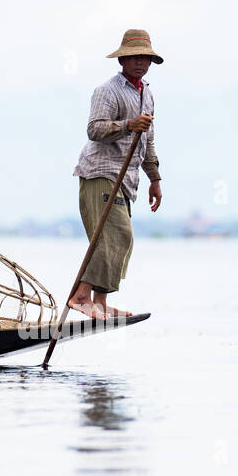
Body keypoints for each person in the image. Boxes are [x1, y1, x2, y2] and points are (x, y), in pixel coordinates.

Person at [70, 28, 162, 319]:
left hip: (127, 180)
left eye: (144, 58)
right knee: (113, 236)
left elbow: (148, 140)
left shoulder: (146, 94)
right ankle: (82, 297)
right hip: (101, 173)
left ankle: (100, 302)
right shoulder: (107, 91)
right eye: (134, 57)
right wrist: (127, 125)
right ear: (122, 60)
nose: (140, 63)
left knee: (120, 239)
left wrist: (155, 179)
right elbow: (94, 130)